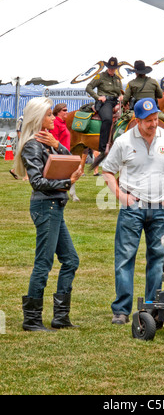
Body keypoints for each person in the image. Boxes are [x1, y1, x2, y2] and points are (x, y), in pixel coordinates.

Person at [102, 98, 164, 325]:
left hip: (159, 208)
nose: (153, 123)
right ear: (137, 120)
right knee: (125, 258)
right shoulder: (123, 141)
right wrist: (121, 196)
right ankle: (121, 310)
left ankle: (152, 307)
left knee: (157, 259)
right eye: (148, 120)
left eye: (156, 118)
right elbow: (107, 171)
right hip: (132, 207)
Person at [14, 97, 83, 332]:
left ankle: (60, 318)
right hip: (46, 206)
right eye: (49, 115)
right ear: (38, 117)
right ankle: (31, 319)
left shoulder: (46, 141)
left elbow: (69, 160)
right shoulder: (33, 145)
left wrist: (57, 144)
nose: (54, 118)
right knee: (43, 263)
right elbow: (37, 181)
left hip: (54, 206)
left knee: (71, 260)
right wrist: (68, 181)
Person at [86, 57, 123, 161]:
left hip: (116, 102)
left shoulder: (117, 78)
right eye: (110, 68)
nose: (112, 70)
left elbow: (119, 91)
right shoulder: (100, 76)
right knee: (107, 119)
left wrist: (121, 95)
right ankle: (102, 149)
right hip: (105, 102)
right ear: (107, 67)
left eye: (114, 68)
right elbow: (88, 87)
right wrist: (97, 97)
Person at [50, 103, 80, 201]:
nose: (67, 112)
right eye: (64, 110)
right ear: (58, 112)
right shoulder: (55, 123)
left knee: (72, 173)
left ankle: (70, 194)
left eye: (66, 110)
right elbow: (54, 141)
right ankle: (65, 194)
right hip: (60, 154)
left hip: (66, 153)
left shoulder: (63, 123)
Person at [9, 115, 23, 180]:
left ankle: (14, 171)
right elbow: (19, 131)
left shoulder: (29, 118)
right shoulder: (21, 119)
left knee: (22, 159)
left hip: (26, 140)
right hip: (22, 141)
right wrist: (21, 141)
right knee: (25, 158)